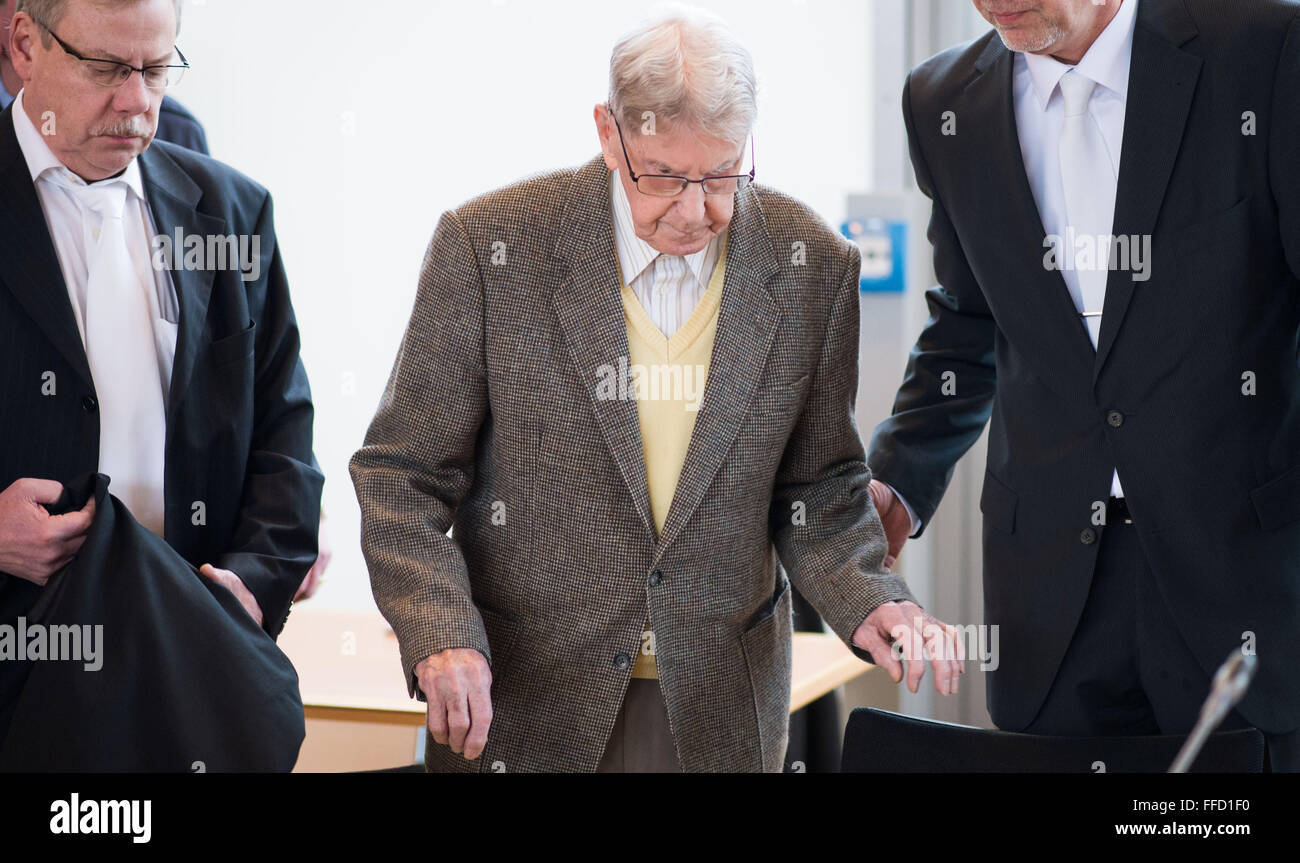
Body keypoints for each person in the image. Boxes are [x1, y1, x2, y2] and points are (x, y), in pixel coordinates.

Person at [351, 4, 964, 774]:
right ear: (610, 133)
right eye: (667, 177)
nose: (696, 210)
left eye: (721, 176)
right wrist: (440, 629)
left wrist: (872, 596)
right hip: (528, 696)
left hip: (716, 704)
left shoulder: (814, 266)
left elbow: (820, 487)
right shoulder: (491, 246)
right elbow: (401, 476)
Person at [867, 0, 1299, 770]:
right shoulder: (940, 103)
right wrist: (898, 482)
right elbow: (968, 324)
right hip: (1050, 594)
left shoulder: (1267, 51)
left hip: (1243, 572)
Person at [0, 0, 322, 733]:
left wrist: (249, 586)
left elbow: (285, 435)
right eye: (108, 68)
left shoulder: (233, 211)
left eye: (155, 68)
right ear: (25, 44)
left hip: (189, 672)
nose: (137, 100)